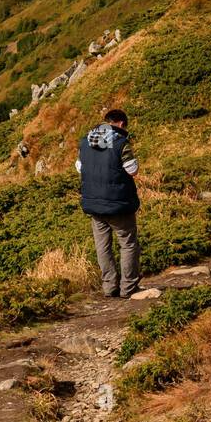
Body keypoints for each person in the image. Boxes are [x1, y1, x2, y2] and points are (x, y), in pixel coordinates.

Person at [76, 108, 141, 299]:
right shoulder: (121, 143)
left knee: (102, 246)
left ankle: (109, 287)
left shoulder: (85, 142)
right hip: (119, 203)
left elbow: (79, 168)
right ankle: (128, 287)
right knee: (128, 244)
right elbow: (133, 170)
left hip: (94, 204)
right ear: (121, 123)